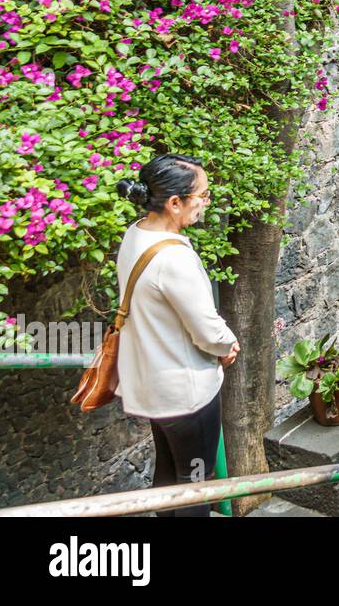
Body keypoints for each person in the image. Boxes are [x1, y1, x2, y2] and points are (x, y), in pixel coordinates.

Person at [114, 154, 237, 517]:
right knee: (195, 484)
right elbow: (206, 328)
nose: (206, 203)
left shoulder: (137, 234)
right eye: (202, 195)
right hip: (186, 393)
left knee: (169, 474)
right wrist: (227, 344)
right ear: (174, 203)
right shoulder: (175, 259)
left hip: (153, 383)